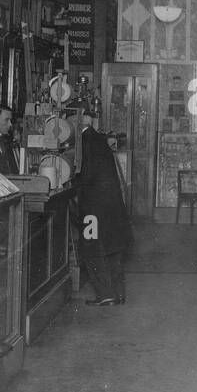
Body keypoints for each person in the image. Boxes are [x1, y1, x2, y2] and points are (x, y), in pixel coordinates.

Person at [74, 106, 133, 306]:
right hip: (112, 206)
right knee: (113, 249)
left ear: (79, 120)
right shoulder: (100, 139)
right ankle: (118, 293)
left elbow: (85, 175)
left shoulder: (83, 140)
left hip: (92, 207)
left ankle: (105, 294)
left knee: (92, 248)